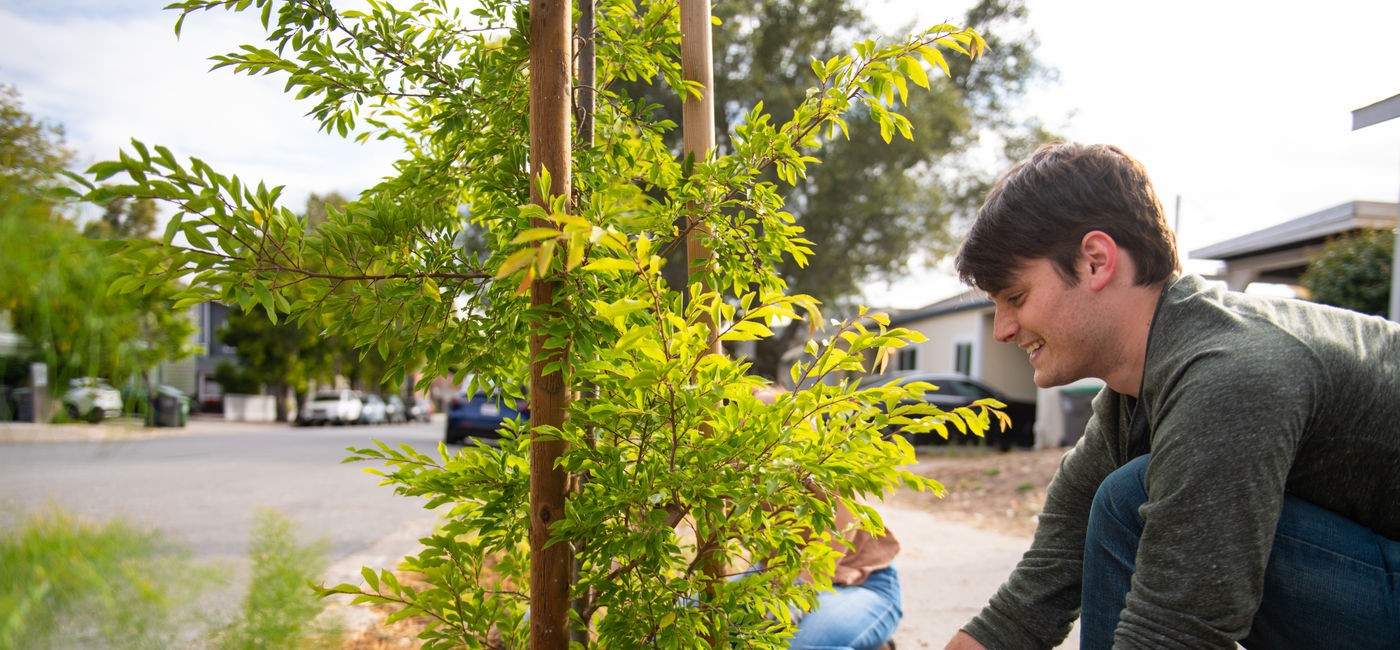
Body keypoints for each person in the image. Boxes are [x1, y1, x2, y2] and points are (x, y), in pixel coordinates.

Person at [942, 142, 1400, 649]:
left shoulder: (1230, 373)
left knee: (1131, 497)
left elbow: (1176, 630)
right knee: (1120, 495)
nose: (1003, 329)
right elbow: (1038, 590)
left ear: (1096, 261)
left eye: (1016, 297)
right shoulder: (1136, 397)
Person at [752, 384, 903, 650]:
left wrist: (799, 592)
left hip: (862, 581)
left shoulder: (817, 467)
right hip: (779, 579)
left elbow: (838, 530)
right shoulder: (738, 473)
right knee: (698, 617)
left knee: (794, 646)